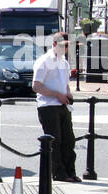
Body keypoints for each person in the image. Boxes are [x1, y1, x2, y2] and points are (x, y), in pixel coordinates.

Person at [32, 31, 80, 182]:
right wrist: (56, 95)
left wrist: (67, 94)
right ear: (54, 44)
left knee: (69, 140)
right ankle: (59, 173)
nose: (65, 49)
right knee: (55, 141)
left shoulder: (64, 62)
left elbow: (65, 84)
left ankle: (70, 171)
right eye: (63, 46)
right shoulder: (44, 61)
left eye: (67, 46)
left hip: (62, 105)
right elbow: (36, 86)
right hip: (48, 106)